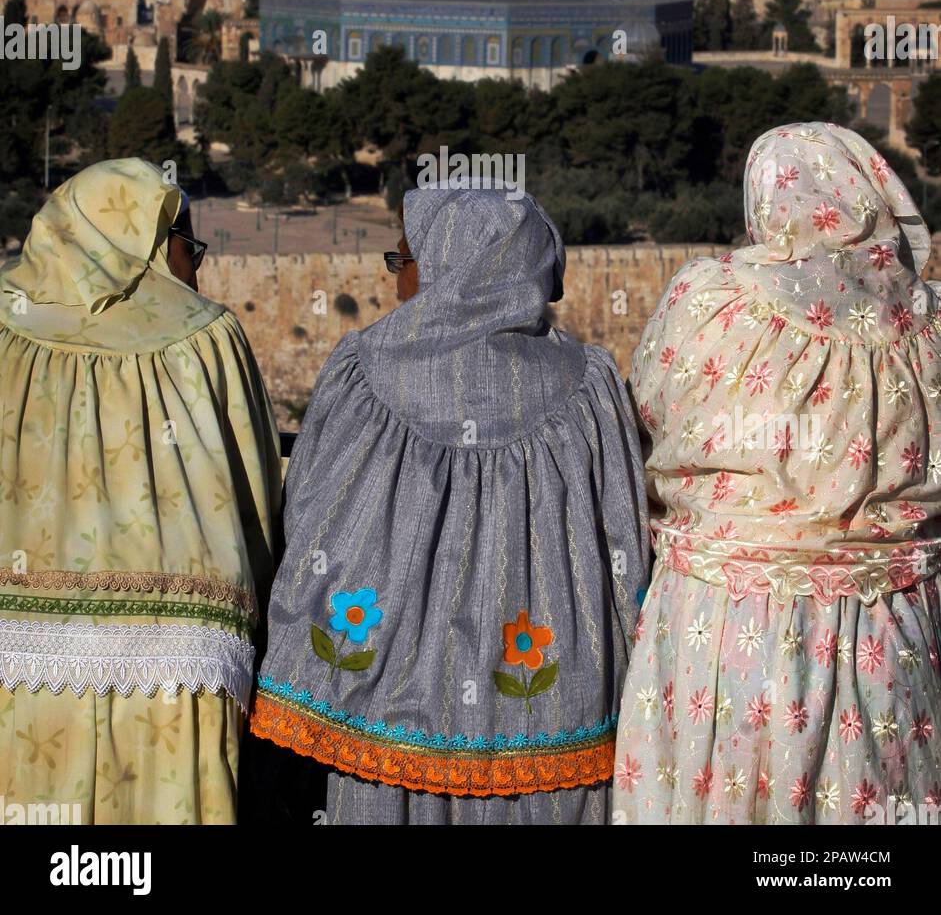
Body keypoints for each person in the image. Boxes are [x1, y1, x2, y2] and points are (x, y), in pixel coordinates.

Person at [251, 184, 648, 825]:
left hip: (377, 716)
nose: (399, 281)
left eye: (403, 261)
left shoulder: (359, 370)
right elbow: (626, 547)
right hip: (546, 721)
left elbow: (307, 517)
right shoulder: (591, 383)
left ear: (445, 267)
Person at [615, 122, 941, 825]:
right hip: (886, 631)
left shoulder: (710, 299)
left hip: (720, 627)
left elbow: (650, 409)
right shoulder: (930, 322)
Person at [0, 158, 282, 824]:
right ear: (151, 241)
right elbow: (257, 500)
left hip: (18, 656)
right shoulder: (207, 333)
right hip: (180, 662)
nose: (197, 268)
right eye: (190, 247)